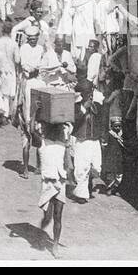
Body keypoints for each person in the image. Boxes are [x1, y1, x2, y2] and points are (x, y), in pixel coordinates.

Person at [38, 121, 72, 256]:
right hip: (47, 183)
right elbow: (31, 132)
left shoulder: (63, 145)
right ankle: (41, 233)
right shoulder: (42, 143)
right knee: (47, 217)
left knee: (58, 216)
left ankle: (55, 245)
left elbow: (68, 165)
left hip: (60, 182)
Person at [69, 82, 103, 202]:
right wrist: (84, 108)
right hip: (82, 140)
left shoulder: (96, 104)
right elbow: (73, 120)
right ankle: (81, 194)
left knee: (97, 166)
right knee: (82, 167)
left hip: (94, 139)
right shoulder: (77, 106)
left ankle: (87, 182)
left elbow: (100, 120)